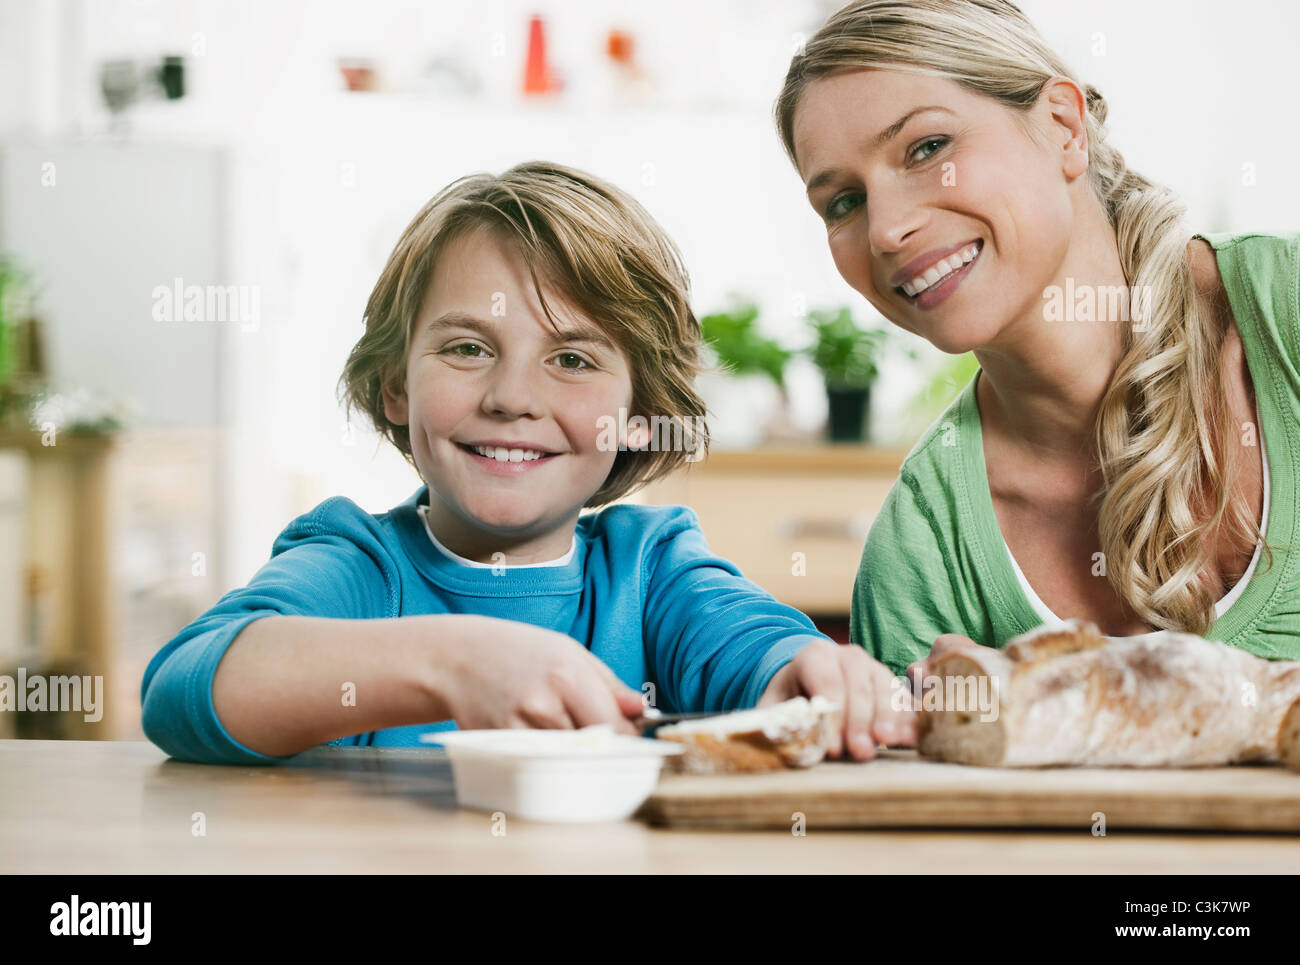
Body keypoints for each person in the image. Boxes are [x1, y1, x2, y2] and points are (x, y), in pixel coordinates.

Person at [140, 161, 917, 766]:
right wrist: (453, 660)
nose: (513, 397)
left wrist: (812, 675)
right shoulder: (360, 565)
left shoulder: (653, 572)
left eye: (573, 359)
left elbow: (761, 655)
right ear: (394, 386)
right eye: (468, 348)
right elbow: (184, 688)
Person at [774, 0, 1300, 680]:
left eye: (927, 148)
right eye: (843, 201)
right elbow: (911, 788)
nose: (884, 230)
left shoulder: (1283, 310)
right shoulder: (924, 551)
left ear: (1062, 126)